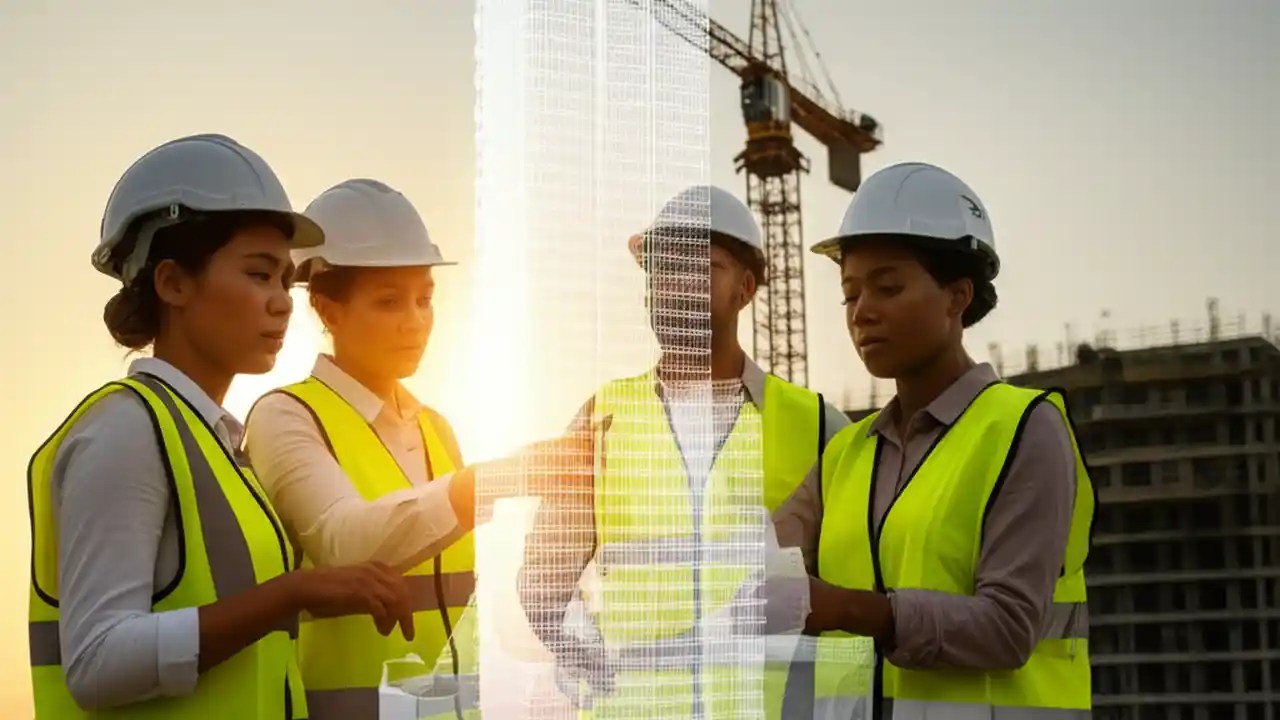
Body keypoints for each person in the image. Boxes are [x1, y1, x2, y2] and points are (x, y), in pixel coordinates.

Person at [28, 135, 416, 720]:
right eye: (259, 275)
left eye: (286, 280)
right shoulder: (127, 431)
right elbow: (96, 662)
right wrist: (298, 591)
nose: (283, 303)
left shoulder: (217, 444)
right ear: (173, 283)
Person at [516, 185, 855, 719]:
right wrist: (584, 649)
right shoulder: (603, 419)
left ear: (744, 289)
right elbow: (544, 575)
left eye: (700, 268)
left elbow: (852, 595)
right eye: (661, 269)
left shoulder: (818, 427)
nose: (673, 285)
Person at [798, 162, 1095, 719]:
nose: (862, 312)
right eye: (849, 294)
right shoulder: (846, 452)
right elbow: (759, 559)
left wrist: (853, 610)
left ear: (958, 296)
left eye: (888, 287)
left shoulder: (1022, 427)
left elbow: (1009, 628)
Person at [243, 178, 477, 719]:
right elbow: (341, 542)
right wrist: (482, 488)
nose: (415, 321)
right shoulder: (286, 416)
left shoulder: (437, 429)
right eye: (389, 301)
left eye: (425, 299)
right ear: (328, 311)